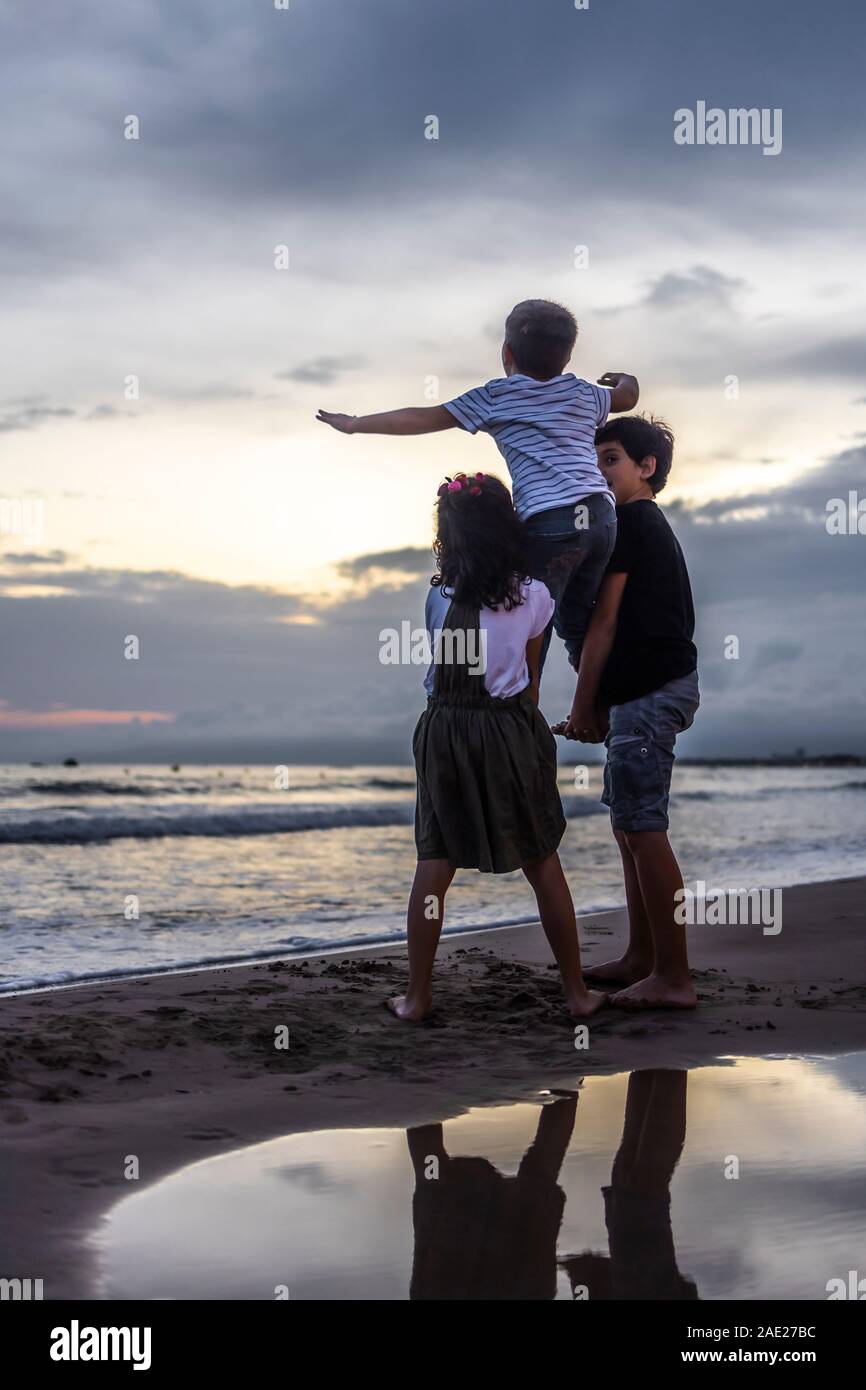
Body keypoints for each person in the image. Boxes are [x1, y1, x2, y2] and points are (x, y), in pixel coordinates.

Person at [317, 298, 638, 677]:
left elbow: (422, 418)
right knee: (577, 620)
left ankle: (524, 712)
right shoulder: (585, 393)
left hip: (553, 522)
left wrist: (356, 423)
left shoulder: (495, 397)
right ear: (567, 357)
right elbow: (628, 396)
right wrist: (622, 378)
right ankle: (596, 706)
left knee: (529, 623)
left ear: (506, 354)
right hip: (601, 517)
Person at [385, 471, 605, 1021]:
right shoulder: (534, 596)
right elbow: (529, 681)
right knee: (541, 859)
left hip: (444, 728)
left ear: (448, 536)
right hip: (506, 727)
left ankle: (417, 997)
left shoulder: (437, 596)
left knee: (434, 860)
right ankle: (576, 994)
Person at [554, 415, 699, 1010]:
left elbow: (607, 622)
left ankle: (674, 977)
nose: (599, 470)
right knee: (628, 827)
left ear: (646, 468)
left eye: (610, 458)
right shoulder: (634, 522)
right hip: (649, 690)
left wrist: (583, 706)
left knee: (643, 828)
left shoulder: (634, 521)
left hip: (650, 691)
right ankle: (644, 957)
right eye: (594, 460)